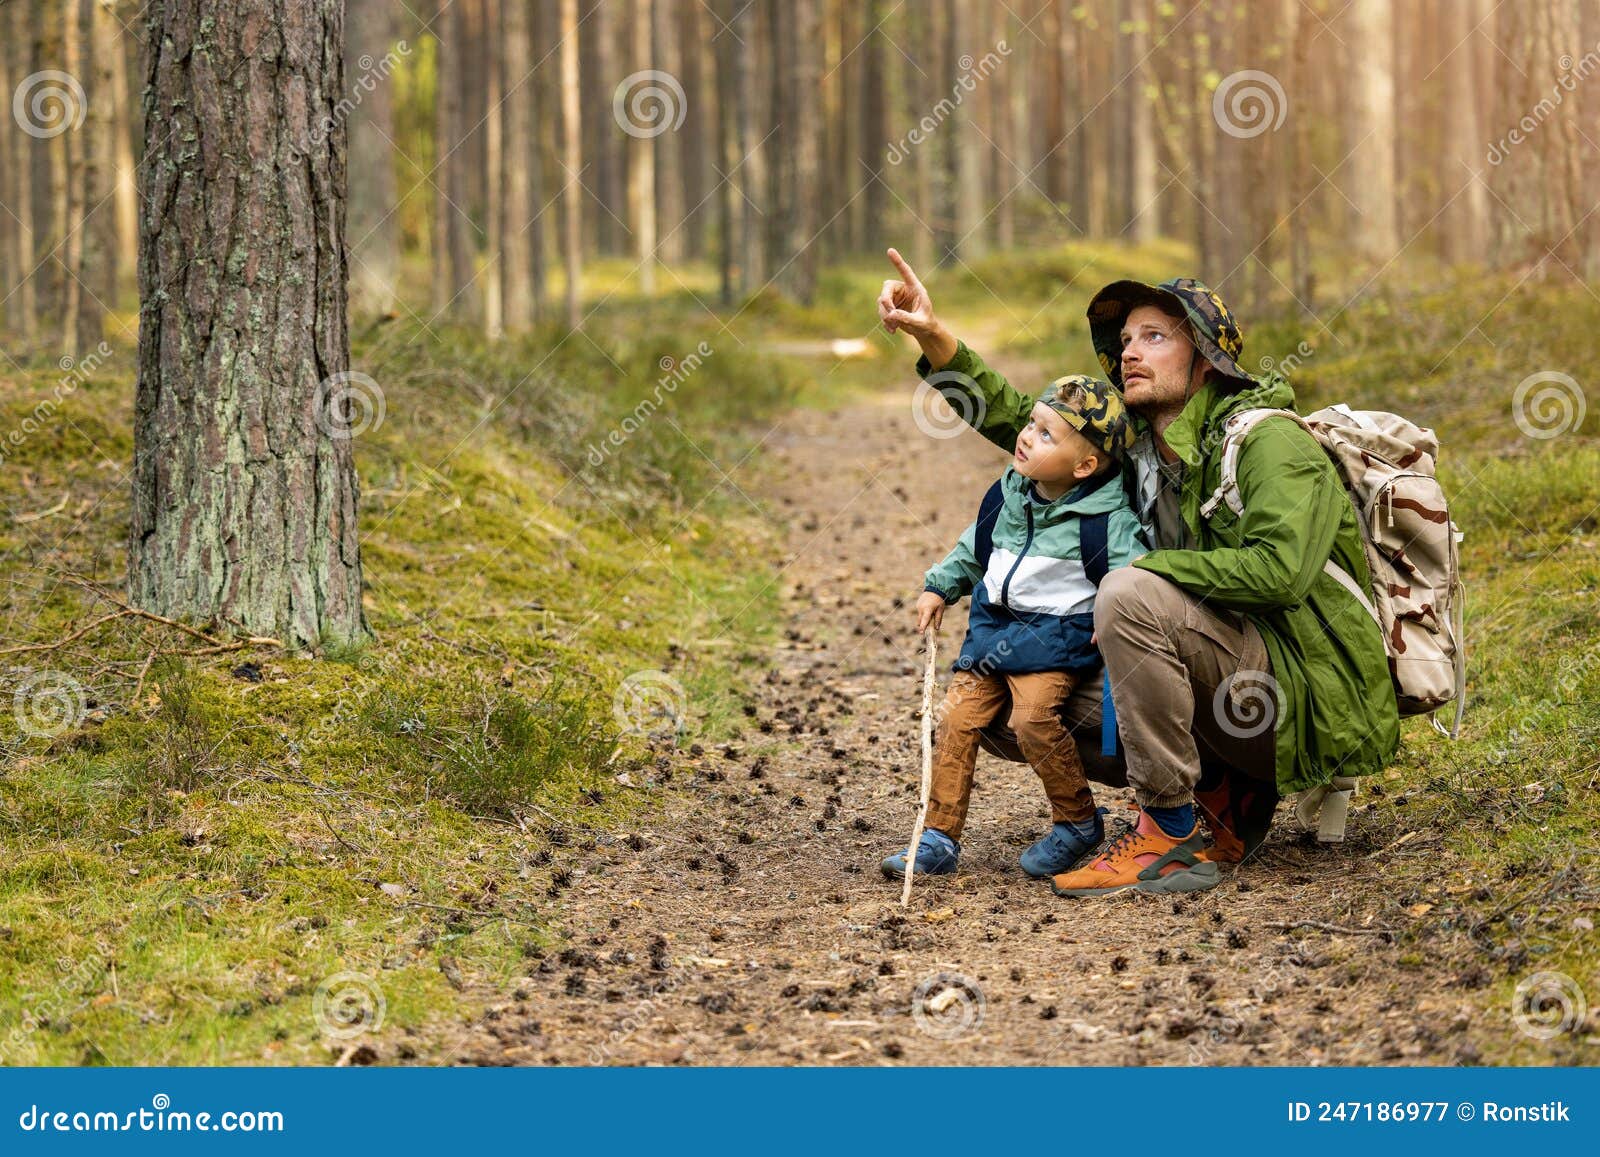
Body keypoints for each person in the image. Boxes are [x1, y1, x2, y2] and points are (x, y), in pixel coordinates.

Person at [877, 248, 1399, 897]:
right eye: (1125, 340)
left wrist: (1152, 568)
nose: (1130, 352)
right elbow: (1033, 424)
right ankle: (1223, 790)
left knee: (1128, 592)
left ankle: (1170, 833)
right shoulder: (1147, 448)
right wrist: (935, 337)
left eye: (1154, 336)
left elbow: (1281, 572)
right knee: (1011, 690)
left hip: (1302, 695)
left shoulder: (1271, 444)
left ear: (1206, 355)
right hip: (1230, 679)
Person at [882, 376, 1145, 881]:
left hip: (1054, 642)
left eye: (1046, 435)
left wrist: (1114, 617)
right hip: (991, 633)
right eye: (1030, 423)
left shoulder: (1105, 520)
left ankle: (1077, 820)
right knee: (956, 719)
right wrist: (940, 586)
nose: (1026, 436)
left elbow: (1134, 572)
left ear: (1084, 465)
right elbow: (974, 548)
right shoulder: (1008, 496)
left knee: (1031, 721)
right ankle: (938, 835)